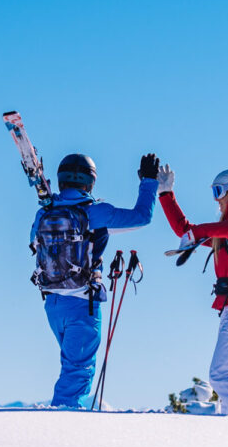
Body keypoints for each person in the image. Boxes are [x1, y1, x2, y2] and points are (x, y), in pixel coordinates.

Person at [31, 152, 160, 407]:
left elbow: (34, 242)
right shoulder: (96, 213)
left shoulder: (43, 213)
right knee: (78, 370)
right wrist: (149, 182)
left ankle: (64, 415)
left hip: (53, 303)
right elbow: (142, 217)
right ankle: (64, 421)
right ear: (90, 182)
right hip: (83, 303)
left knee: (71, 365)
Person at [156, 164, 228, 416]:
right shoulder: (225, 231)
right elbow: (185, 230)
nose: (216, 200)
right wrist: (166, 194)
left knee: (222, 377)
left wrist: (198, 232)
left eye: (219, 192)